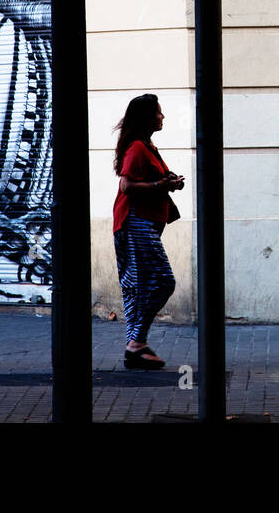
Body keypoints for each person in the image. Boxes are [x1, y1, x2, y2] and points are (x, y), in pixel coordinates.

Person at [112, 93, 183, 369]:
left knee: (136, 287)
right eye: (159, 112)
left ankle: (135, 348)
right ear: (147, 117)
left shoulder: (147, 146)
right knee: (163, 282)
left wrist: (169, 181)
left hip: (143, 221)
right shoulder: (137, 148)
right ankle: (136, 343)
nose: (162, 117)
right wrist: (160, 187)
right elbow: (127, 186)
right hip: (135, 221)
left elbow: (149, 179)